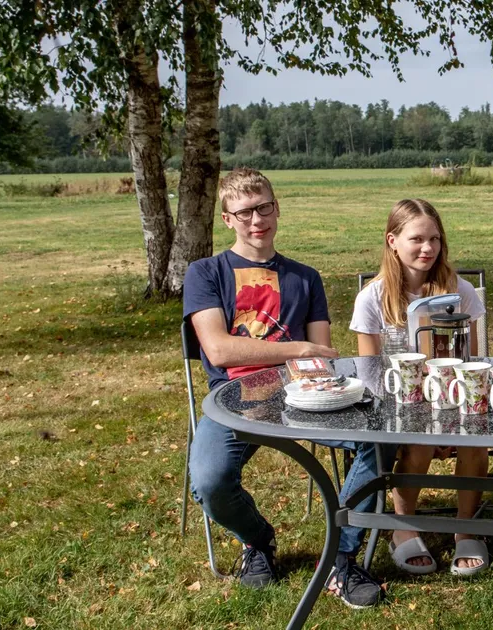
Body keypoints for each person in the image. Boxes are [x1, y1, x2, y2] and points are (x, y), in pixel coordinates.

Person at [184, 168, 384, 610]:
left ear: (277, 208)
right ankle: (257, 540)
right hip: (234, 401)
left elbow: (323, 355)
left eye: (265, 207)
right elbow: (218, 350)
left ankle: (343, 556)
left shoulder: (304, 277)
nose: (257, 219)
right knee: (211, 480)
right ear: (227, 219)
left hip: (307, 397)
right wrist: (296, 347)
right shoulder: (205, 273)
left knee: (378, 440)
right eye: (245, 212)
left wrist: (307, 356)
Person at [349, 198, 491, 576]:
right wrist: (418, 412)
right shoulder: (373, 299)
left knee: (473, 433)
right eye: (416, 239)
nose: (428, 248)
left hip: (455, 396)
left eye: (435, 239)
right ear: (392, 240)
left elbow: (474, 361)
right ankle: (403, 526)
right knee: (421, 435)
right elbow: (369, 373)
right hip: (398, 402)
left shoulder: (459, 290)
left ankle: (466, 527)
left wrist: (449, 412)